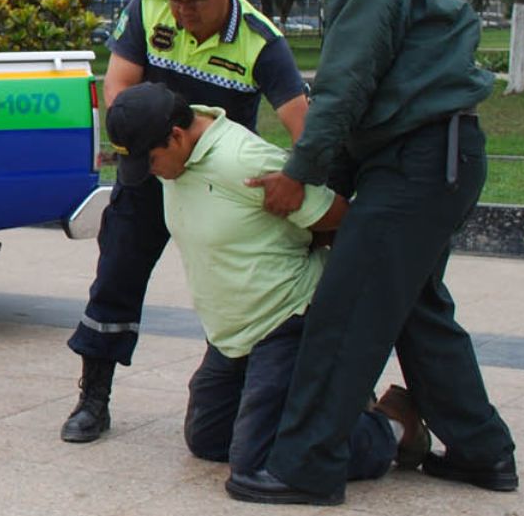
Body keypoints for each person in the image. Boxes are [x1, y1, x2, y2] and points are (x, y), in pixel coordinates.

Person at [231, 0, 516, 505]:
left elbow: (343, 88)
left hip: (418, 163)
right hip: (431, 159)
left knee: (348, 307)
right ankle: (481, 452)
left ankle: (305, 467)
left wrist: (299, 175)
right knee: (416, 311)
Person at [106, 83, 424, 491]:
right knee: (208, 440)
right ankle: (311, 408)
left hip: (283, 318)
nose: (150, 173)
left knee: (259, 466)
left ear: (177, 136)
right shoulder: (175, 159)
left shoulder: (242, 160)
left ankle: (394, 426)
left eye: (149, 162)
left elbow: (340, 215)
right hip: (230, 333)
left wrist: (311, 234)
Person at [61, 0, 309, 443]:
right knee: (115, 277)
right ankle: (93, 398)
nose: (180, 11)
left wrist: (296, 176)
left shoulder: (261, 41)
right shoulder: (149, 8)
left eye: (193, 1)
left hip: (217, 182)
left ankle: (239, 381)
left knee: (230, 284)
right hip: (152, 164)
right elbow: (119, 88)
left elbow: (305, 126)